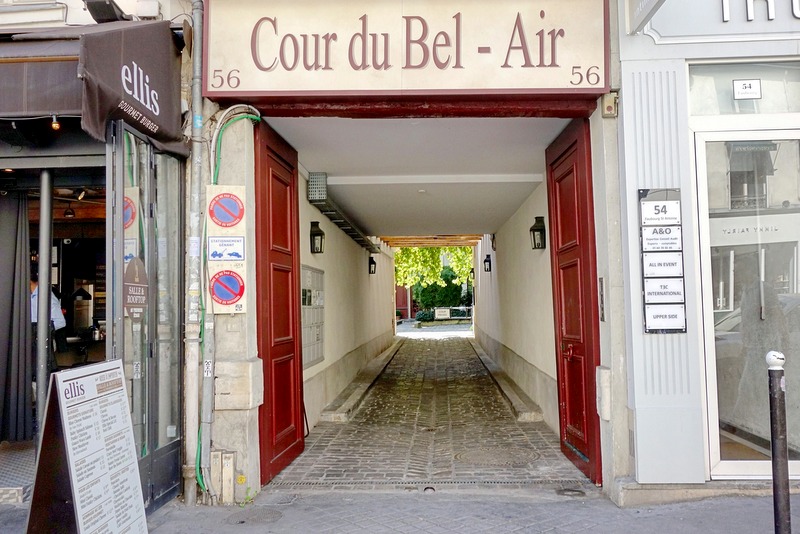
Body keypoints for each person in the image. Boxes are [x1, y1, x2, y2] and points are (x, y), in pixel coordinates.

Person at [30, 272, 66, 374]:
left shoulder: (46, 296)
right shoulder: (24, 297)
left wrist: (39, 329)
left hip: (41, 343)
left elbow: (60, 322)